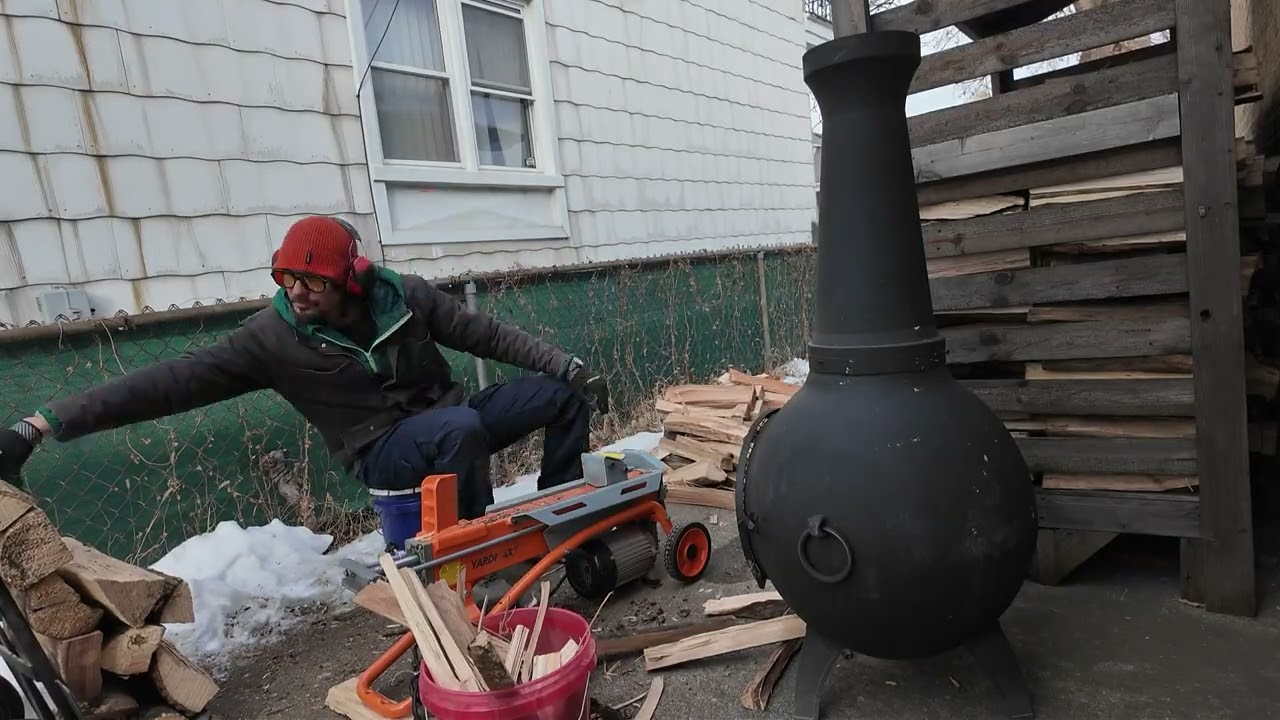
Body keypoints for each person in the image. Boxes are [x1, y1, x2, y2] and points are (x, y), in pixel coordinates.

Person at [0, 216, 609, 548]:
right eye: (286, 277)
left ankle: (564, 519)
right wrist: (45, 421)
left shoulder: (405, 298)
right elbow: (171, 382)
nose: (296, 290)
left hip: (450, 421)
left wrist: (565, 365)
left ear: (351, 276)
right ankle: (475, 558)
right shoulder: (270, 338)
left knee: (557, 398)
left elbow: (489, 336)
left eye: (311, 279)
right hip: (380, 450)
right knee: (461, 426)